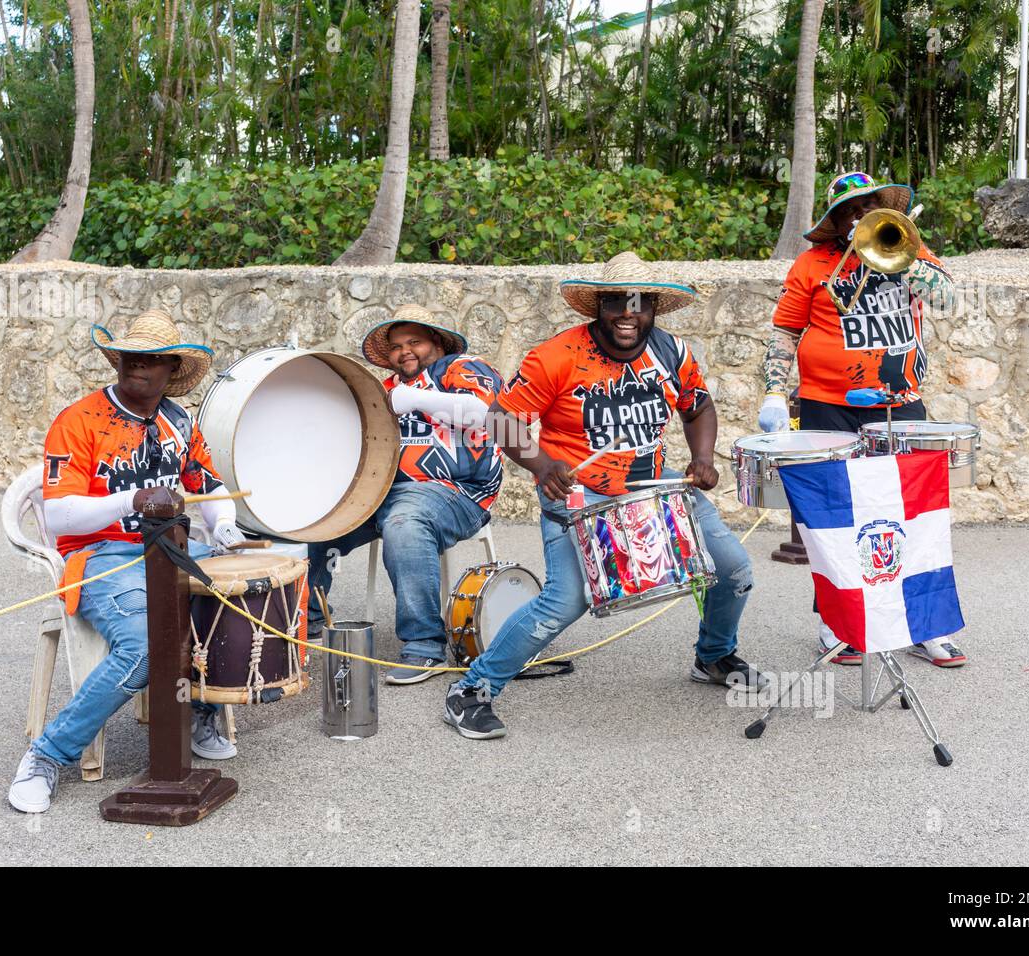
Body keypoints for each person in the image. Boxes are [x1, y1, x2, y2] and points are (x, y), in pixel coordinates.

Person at [443, 252, 766, 740]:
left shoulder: (672, 352)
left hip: (656, 484)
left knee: (734, 569)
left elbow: (698, 406)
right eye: (617, 302)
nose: (627, 314)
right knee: (563, 602)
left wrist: (703, 457)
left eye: (639, 304)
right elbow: (501, 420)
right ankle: (473, 690)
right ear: (599, 306)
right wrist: (542, 464)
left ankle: (714, 656)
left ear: (654, 307)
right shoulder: (555, 357)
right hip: (578, 492)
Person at [8, 310, 246, 814]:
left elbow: (211, 485)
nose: (139, 364)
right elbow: (62, 514)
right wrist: (132, 500)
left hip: (172, 549)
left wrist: (223, 524)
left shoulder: (179, 421)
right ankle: (47, 755)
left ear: (170, 371)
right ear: (118, 361)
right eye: (131, 356)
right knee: (143, 646)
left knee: (238, 597)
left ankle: (200, 709)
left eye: (152, 359)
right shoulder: (78, 420)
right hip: (100, 555)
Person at [759, 170, 966, 668]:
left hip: (900, 403)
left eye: (869, 206)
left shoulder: (912, 251)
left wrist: (904, 258)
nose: (860, 216)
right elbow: (785, 332)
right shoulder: (813, 264)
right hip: (827, 404)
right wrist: (772, 392)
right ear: (835, 220)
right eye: (850, 211)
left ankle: (925, 626)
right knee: (833, 520)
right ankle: (841, 626)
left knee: (915, 517)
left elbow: (951, 301)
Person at [307, 304, 505, 684]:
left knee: (405, 522)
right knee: (313, 520)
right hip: (380, 491)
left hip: (457, 493)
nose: (404, 352)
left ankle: (424, 647)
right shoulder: (384, 389)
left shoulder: (461, 368)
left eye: (414, 341)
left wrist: (413, 400)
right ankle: (309, 618)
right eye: (396, 347)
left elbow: (485, 414)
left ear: (437, 342)